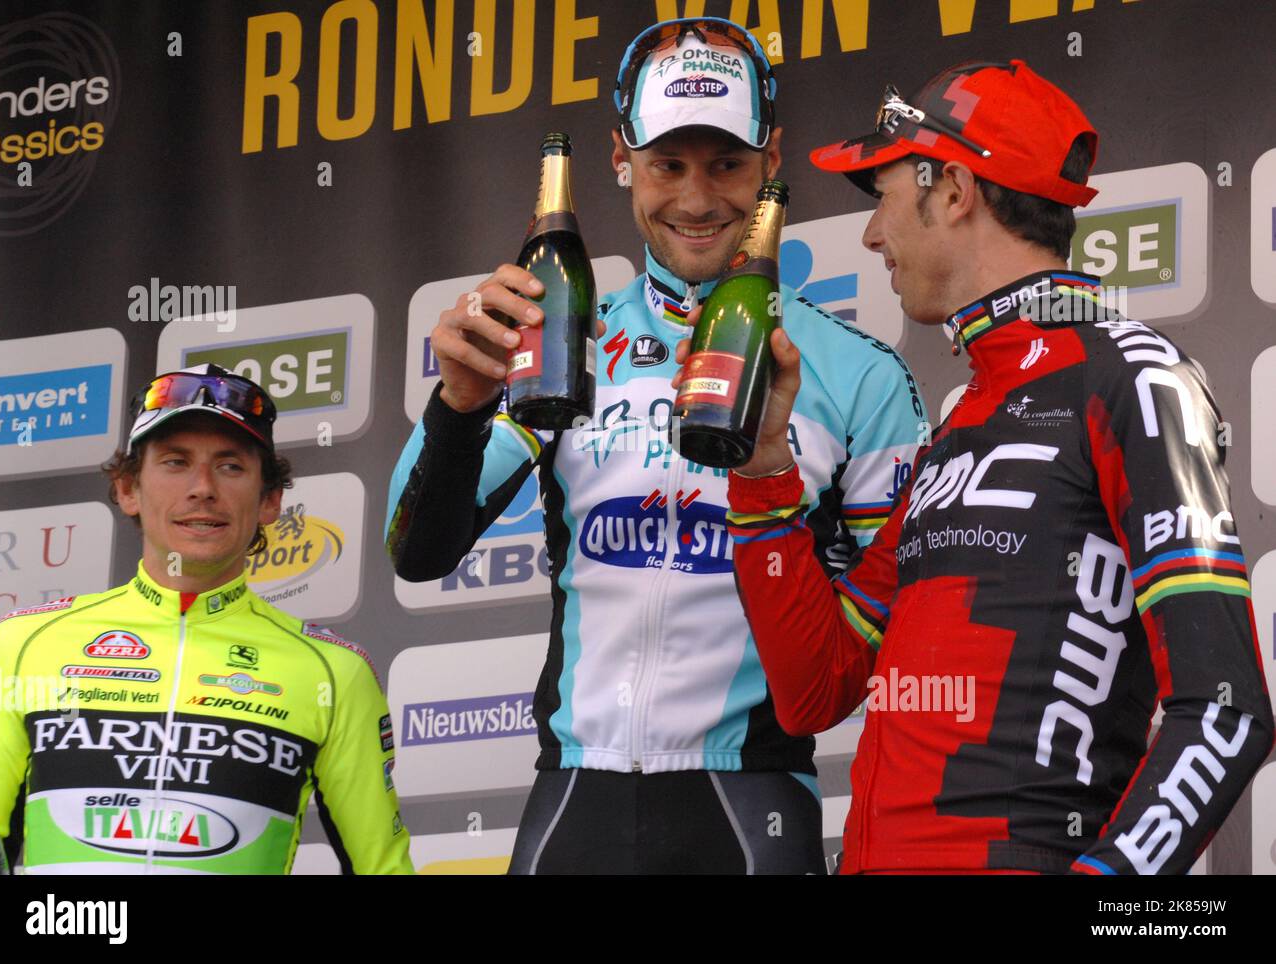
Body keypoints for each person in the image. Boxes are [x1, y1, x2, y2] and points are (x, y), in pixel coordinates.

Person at [385, 17, 925, 874]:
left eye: (728, 164)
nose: (698, 199)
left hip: (748, 806)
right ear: (620, 159)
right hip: (573, 803)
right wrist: (458, 405)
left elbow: (900, 630)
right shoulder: (562, 339)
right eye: (669, 165)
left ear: (772, 159)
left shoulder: (856, 375)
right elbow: (417, 551)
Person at [712, 59, 1276, 874]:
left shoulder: (1132, 377)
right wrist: (766, 474)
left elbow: (1224, 717)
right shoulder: (964, 421)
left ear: (952, 189)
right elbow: (816, 690)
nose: (872, 235)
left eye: (885, 195)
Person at [0, 364, 413, 874]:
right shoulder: (26, 643)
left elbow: (382, 868)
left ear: (270, 500)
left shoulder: (333, 672)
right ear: (127, 489)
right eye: (175, 462)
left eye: (230, 466)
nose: (202, 487)